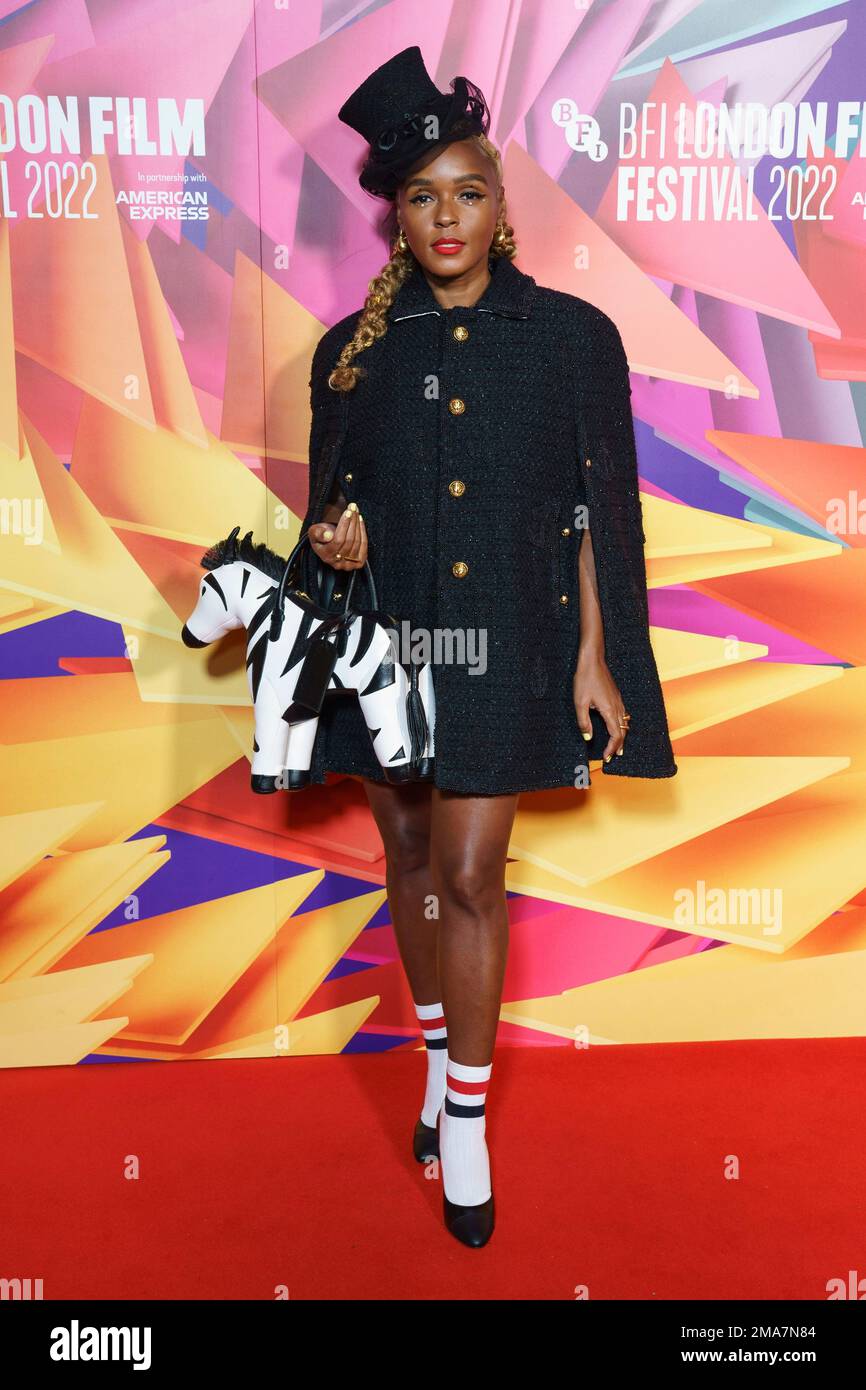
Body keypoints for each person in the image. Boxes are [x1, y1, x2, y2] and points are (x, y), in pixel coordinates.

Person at [298, 47, 677, 1248]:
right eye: (419, 196)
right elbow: (324, 525)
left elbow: (595, 517)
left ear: (501, 204)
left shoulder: (574, 339)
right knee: (407, 859)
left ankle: (461, 1120)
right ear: (395, 215)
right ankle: (430, 1067)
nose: (444, 216)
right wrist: (338, 545)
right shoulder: (347, 353)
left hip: (508, 641)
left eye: (465, 191)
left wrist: (595, 658)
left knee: (468, 873)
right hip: (384, 645)